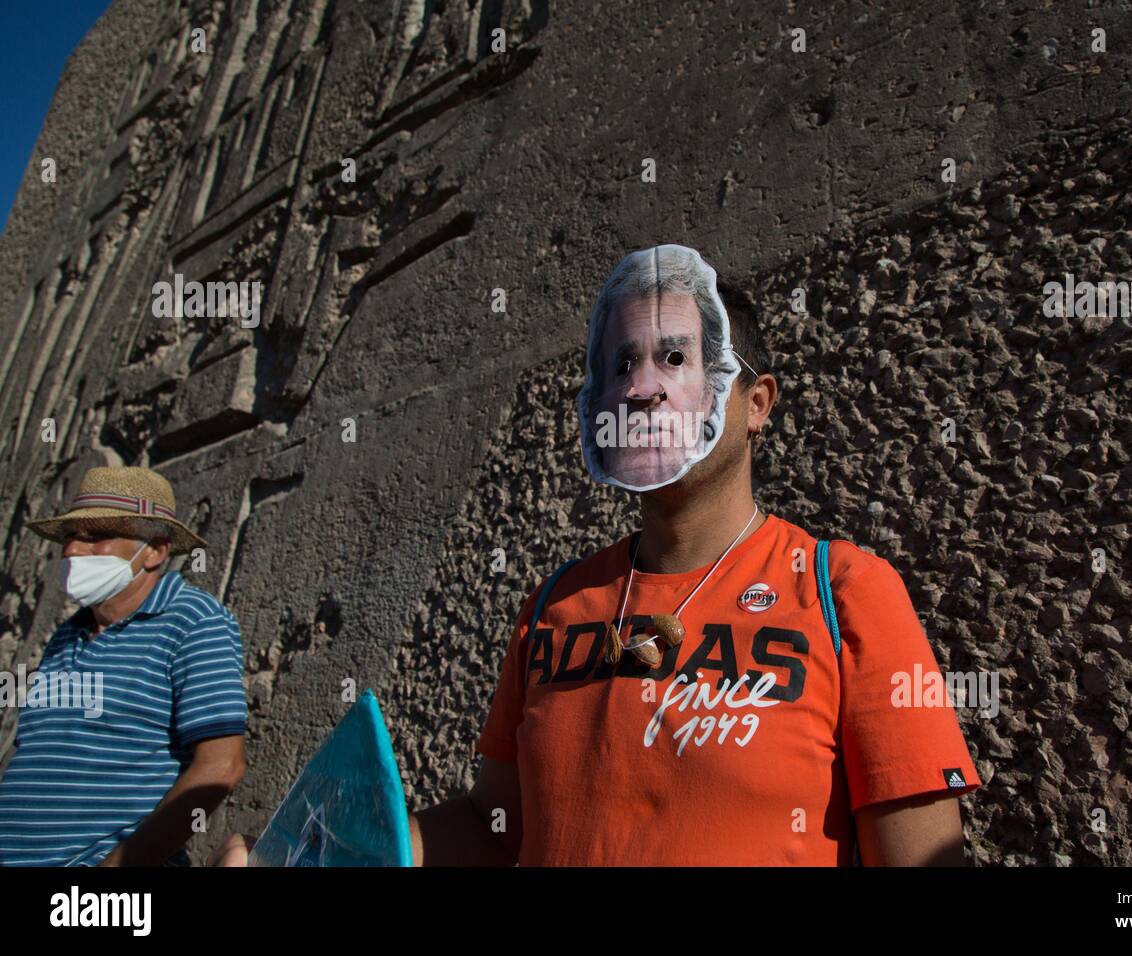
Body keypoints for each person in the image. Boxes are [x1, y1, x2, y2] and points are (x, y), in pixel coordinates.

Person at [212, 243, 983, 867]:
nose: (643, 388)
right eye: (621, 366)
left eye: (676, 360)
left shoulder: (844, 589)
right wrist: (337, 852)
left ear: (757, 405)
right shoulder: (557, 605)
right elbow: (494, 828)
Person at [0, 466, 248, 866]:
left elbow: (221, 766)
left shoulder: (193, 621)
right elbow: (32, 750)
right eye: (69, 537)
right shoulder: (68, 634)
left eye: (96, 537)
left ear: (155, 550)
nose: (72, 551)